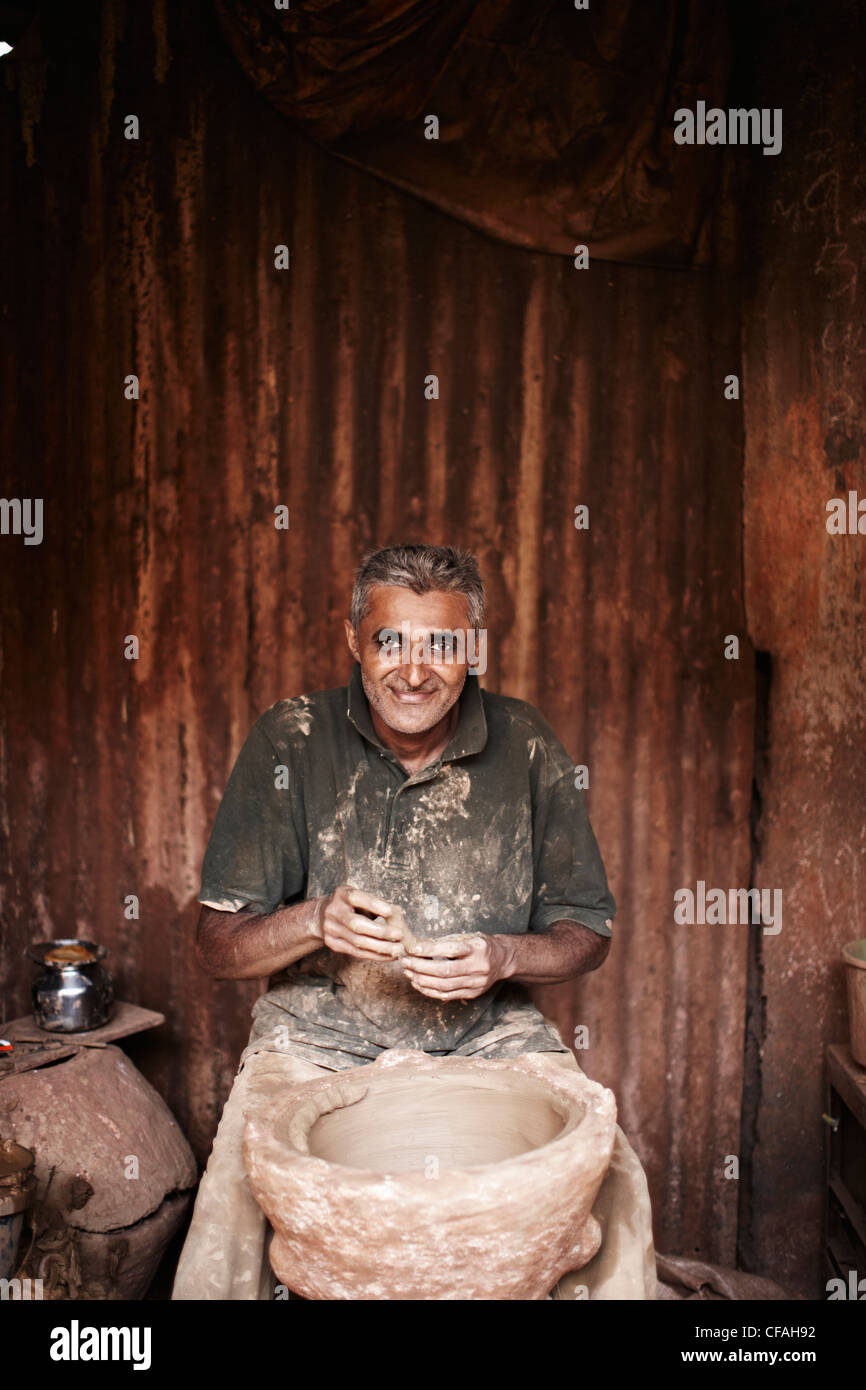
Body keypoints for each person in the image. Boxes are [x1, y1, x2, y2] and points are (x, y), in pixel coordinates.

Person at [172, 544, 654, 1299]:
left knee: (611, 1182)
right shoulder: (291, 738)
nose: (415, 670)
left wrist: (502, 957)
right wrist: (316, 921)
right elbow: (214, 949)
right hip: (316, 1037)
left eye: (444, 645)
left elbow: (587, 933)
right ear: (354, 641)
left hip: (488, 1032)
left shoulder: (526, 745)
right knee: (235, 1194)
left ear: (474, 652)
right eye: (390, 641)